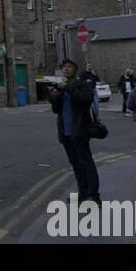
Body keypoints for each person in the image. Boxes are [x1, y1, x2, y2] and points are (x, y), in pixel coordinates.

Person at [48, 59, 100, 204]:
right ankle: (83, 193)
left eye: (69, 67)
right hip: (65, 132)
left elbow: (85, 99)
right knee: (76, 164)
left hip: (80, 130)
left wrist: (68, 88)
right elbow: (56, 109)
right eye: (64, 67)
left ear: (75, 70)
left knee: (86, 162)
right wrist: (53, 96)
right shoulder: (62, 87)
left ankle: (94, 195)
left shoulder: (82, 84)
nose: (66, 69)